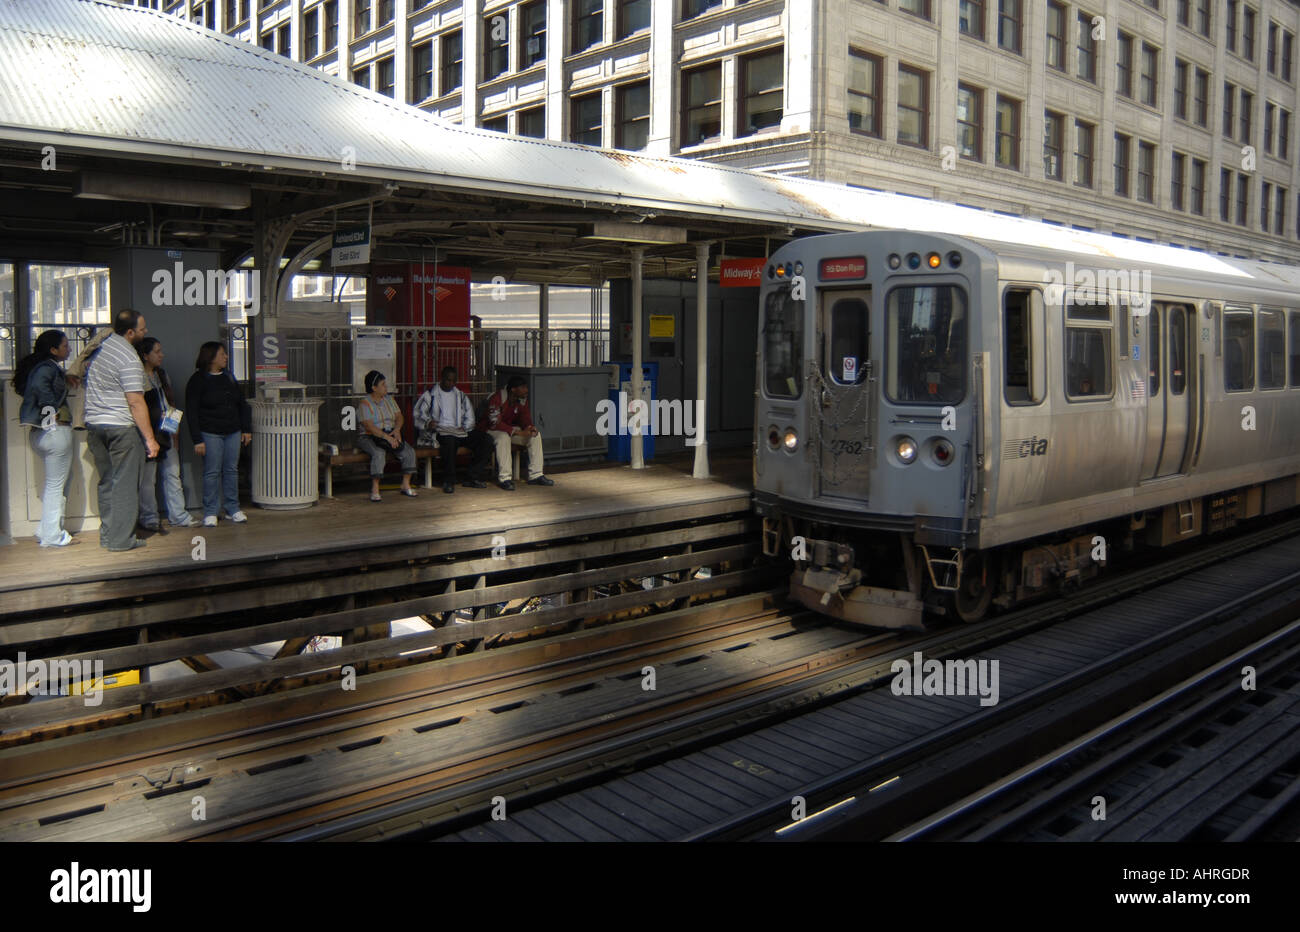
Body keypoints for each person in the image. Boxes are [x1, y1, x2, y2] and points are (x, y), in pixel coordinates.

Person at [84, 309, 159, 552]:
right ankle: (122, 540)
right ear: (130, 332)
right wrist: (150, 439)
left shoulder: (101, 347)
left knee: (107, 482)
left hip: (95, 426)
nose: (145, 332)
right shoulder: (128, 358)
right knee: (125, 485)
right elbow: (136, 402)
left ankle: (107, 536)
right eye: (142, 329)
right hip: (120, 428)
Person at [12, 329, 76, 547]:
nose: (68, 349)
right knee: (57, 485)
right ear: (53, 349)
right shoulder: (47, 368)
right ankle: (52, 535)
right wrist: (52, 411)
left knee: (57, 483)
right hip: (55, 433)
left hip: (42, 434)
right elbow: (42, 388)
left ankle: (47, 528)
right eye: (65, 345)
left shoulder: (43, 368)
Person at [185, 342, 251, 527]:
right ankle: (211, 511)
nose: (226, 357)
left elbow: (242, 404)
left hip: (233, 431)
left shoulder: (229, 377)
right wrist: (197, 439)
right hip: (210, 433)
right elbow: (192, 411)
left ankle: (233, 509)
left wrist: (246, 429)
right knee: (212, 472)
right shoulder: (197, 380)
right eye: (222, 354)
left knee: (231, 470)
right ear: (211, 357)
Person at [137, 338, 196, 533]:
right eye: (157, 351)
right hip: (149, 432)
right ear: (145, 355)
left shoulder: (162, 375)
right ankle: (149, 517)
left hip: (166, 430)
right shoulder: (137, 377)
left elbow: (170, 403)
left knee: (173, 473)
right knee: (148, 479)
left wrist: (174, 431)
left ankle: (178, 515)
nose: (161, 355)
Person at [413, 366, 490, 494]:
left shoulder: (460, 395)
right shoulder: (430, 395)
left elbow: (470, 417)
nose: (451, 384)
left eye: (454, 381)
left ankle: (473, 476)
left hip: (459, 431)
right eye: (448, 380)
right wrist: (428, 422)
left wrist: (465, 427)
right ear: (441, 379)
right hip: (439, 431)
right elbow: (417, 414)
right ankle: (449, 480)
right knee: (449, 442)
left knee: (486, 440)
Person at [477, 375, 555, 491]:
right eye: (523, 387)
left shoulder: (522, 400)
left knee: (534, 436)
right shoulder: (498, 397)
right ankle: (505, 478)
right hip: (488, 429)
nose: (526, 390)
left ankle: (536, 475)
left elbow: (525, 419)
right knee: (503, 437)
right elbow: (494, 423)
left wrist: (530, 428)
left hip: (508, 429)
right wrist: (518, 432)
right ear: (513, 389)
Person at [357, 370, 417, 502]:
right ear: (374, 388)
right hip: (369, 436)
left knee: (409, 451)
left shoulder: (390, 400)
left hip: (389, 432)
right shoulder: (364, 404)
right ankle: (375, 488)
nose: (386, 387)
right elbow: (369, 426)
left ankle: (405, 484)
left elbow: (399, 416)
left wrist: (397, 429)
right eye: (383, 384)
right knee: (378, 453)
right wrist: (388, 438)